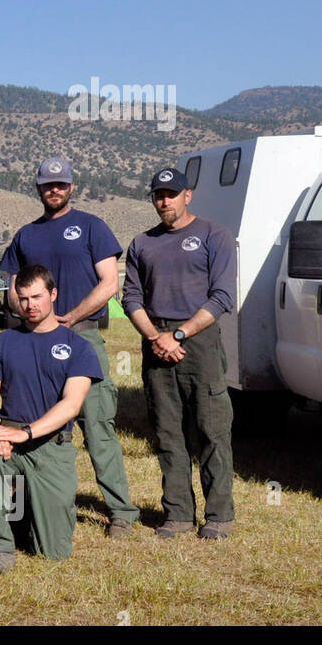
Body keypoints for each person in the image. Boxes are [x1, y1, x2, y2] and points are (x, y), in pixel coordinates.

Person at [0, 157, 139, 537]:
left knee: (97, 424)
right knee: (34, 420)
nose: (54, 189)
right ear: (38, 188)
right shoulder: (26, 235)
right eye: (47, 184)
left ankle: (121, 511)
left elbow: (110, 283)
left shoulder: (91, 226)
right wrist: (28, 316)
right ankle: (31, 499)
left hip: (82, 335)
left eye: (60, 184)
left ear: (72, 187)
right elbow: (13, 288)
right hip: (34, 341)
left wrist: (70, 317)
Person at [122, 167, 237, 540]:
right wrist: (156, 336)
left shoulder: (213, 235)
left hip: (198, 340)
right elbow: (131, 298)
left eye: (172, 193)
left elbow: (221, 296)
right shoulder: (142, 243)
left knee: (210, 429)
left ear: (188, 195)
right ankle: (178, 515)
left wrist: (179, 333)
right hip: (156, 340)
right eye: (158, 194)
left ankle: (218, 515)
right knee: (167, 431)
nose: (165, 200)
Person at [0, 264, 102, 572]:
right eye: (23, 298)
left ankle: (27, 511)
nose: (30, 305)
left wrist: (27, 433)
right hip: (9, 437)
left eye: (37, 296)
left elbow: (71, 405)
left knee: (54, 552)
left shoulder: (78, 348)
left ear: (53, 295)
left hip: (51, 444)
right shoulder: (1, 343)